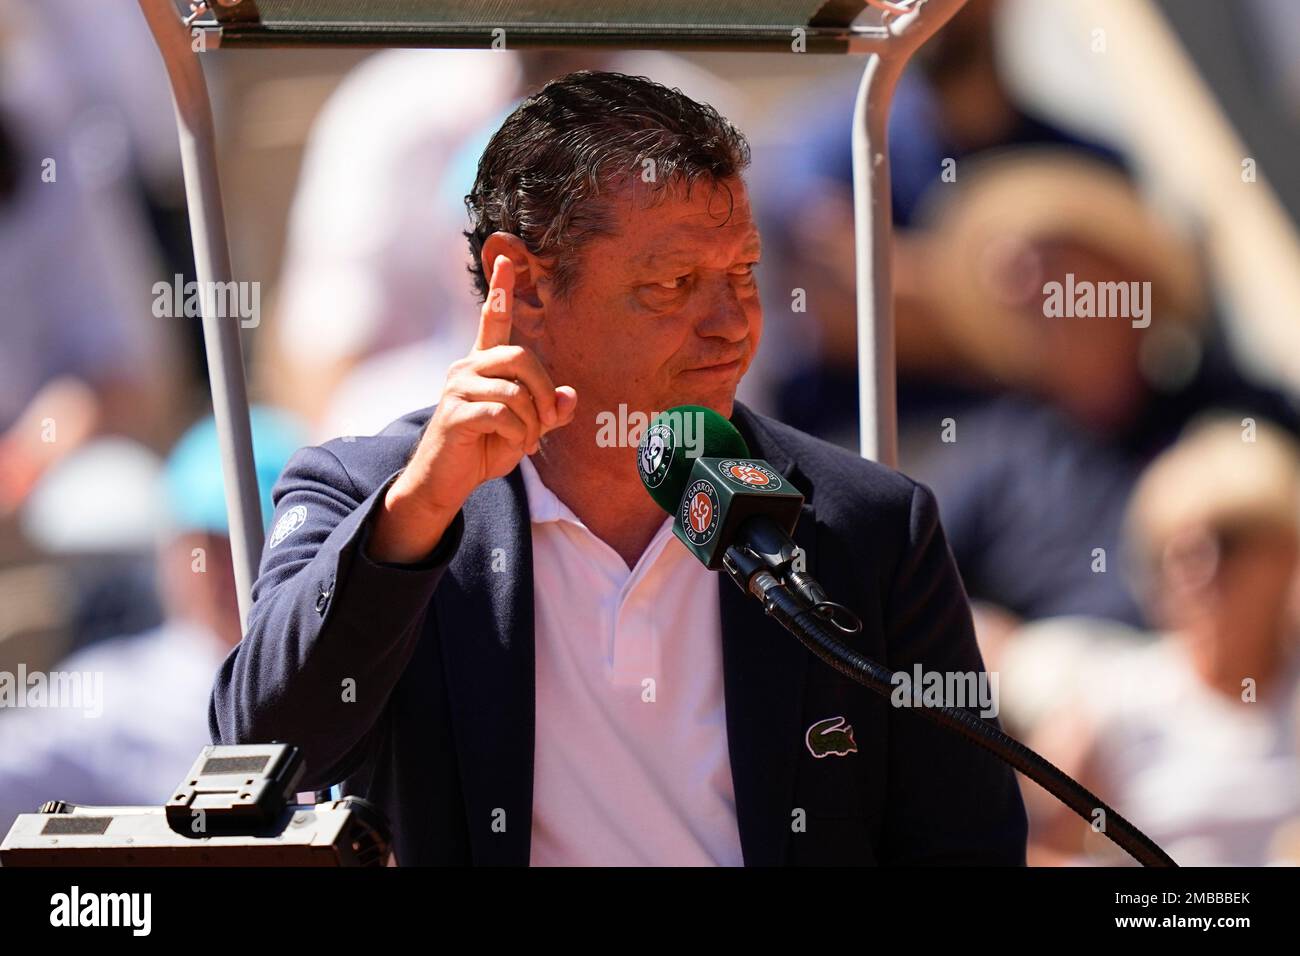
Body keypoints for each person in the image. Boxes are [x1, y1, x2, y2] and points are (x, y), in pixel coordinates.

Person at [212, 71, 1027, 866]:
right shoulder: (369, 494)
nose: (734, 324)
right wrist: (419, 511)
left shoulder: (873, 525)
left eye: (743, 274)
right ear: (524, 285)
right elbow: (265, 746)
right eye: (675, 283)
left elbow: (969, 845)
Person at [0, 407, 305, 834]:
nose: (222, 567)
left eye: (250, 540)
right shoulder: (111, 693)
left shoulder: (341, 681)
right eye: (203, 544)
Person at [1023, 418, 1300, 866]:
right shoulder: (1111, 701)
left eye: (1229, 542)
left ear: (1287, 554)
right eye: (1176, 552)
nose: (1200, 572)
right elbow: (1023, 850)